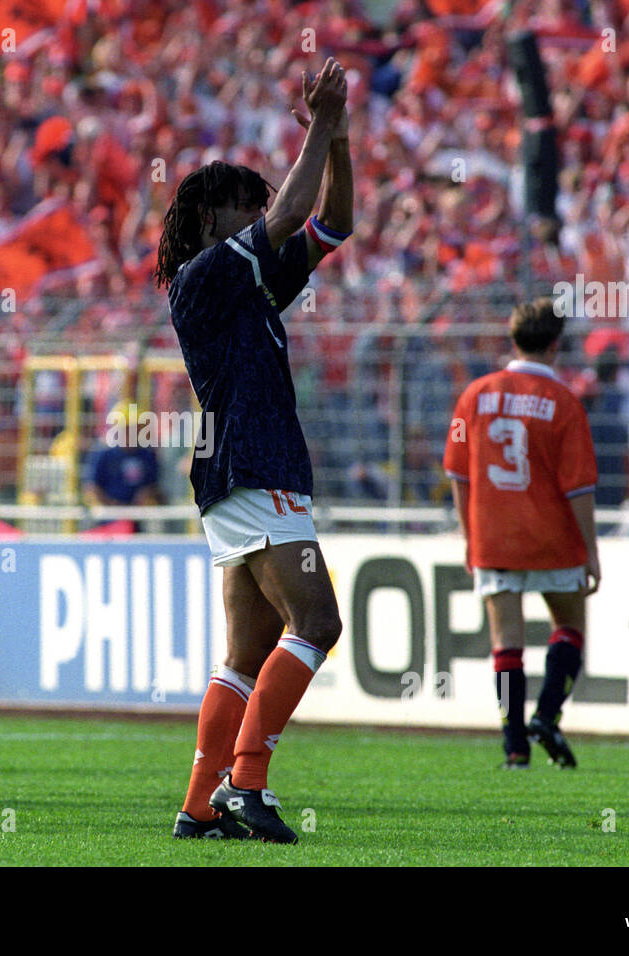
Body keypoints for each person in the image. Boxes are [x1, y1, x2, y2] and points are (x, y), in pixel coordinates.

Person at [155, 58, 351, 844]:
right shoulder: (205, 276)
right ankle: (249, 781)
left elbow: (333, 225)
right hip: (254, 464)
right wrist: (323, 130)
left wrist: (336, 139)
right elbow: (295, 209)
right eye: (247, 207)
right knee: (318, 619)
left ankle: (199, 804)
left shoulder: (250, 286)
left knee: (247, 649)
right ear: (210, 219)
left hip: (238, 469)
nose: (261, 215)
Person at [442, 297, 600, 769]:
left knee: (505, 644)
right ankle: (547, 717)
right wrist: (591, 550)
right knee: (570, 629)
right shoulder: (565, 402)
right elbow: (580, 486)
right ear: (556, 346)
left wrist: (470, 535)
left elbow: (457, 472)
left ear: (512, 339)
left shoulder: (474, 394)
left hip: (495, 537)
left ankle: (515, 748)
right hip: (553, 537)